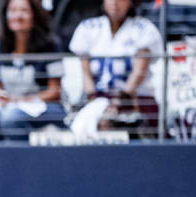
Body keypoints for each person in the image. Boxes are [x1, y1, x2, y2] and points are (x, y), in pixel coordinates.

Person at [67, 0, 162, 139]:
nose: (115, 3)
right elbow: (85, 74)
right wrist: (95, 102)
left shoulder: (144, 28)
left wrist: (119, 102)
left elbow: (139, 72)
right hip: (97, 100)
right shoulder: (88, 27)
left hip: (134, 101)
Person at [0, 0, 66, 141]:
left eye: (24, 11)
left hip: (44, 107)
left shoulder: (50, 46)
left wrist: (21, 101)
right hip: (9, 105)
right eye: (12, 10)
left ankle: (19, 162)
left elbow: (55, 92)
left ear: (34, 15)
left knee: (11, 118)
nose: (17, 16)